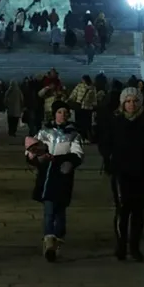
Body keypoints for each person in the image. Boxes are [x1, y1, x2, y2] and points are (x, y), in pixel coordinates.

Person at [99, 86, 144, 261]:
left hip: (141, 170)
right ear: (122, 103)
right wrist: (109, 158)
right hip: (120, 171)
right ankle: (121, 245)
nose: (131, 104)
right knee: (123, 208)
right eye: (128, 101)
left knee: (138, 210)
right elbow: (105, 143)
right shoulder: (115, 121)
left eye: (135, 101)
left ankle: (135, 247)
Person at [25, 100, 84, 262]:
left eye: (65, 112)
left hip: (63, 176)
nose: (62, 115)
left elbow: (78, 153)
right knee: (49, 210)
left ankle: (58, 238)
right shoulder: (44, 132)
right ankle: (49, 242)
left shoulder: (74, 134)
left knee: (60, 210)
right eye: (59, 112)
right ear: (54, 114)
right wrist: (35, 156)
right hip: (47, 176)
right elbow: (32, 149)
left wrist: (70, 162)